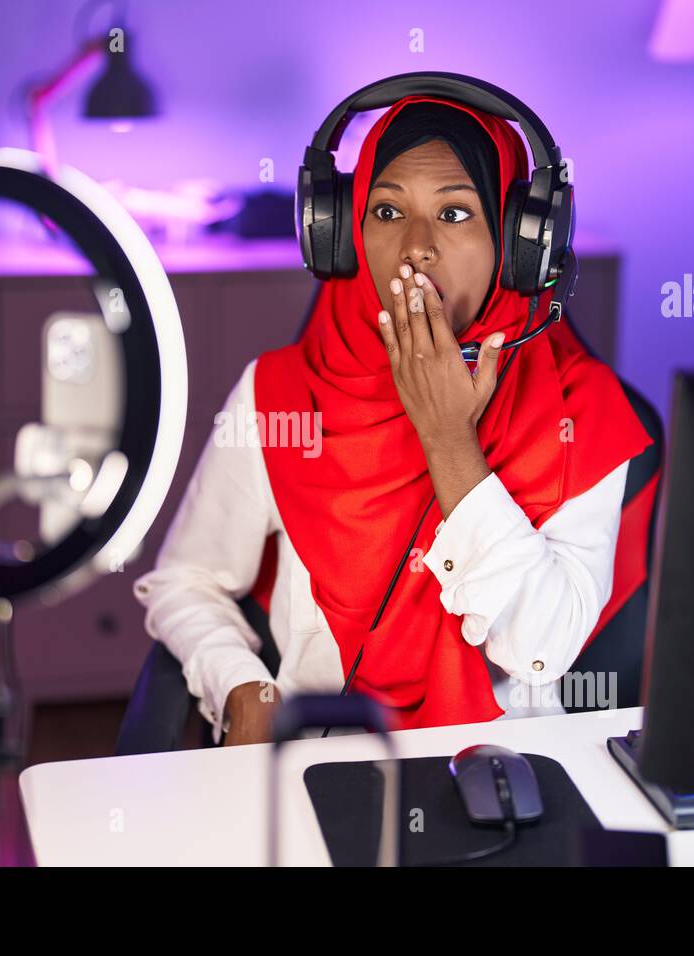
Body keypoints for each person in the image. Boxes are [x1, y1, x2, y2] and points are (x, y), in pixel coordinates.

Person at [133, 94, 653, 746]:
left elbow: (540, 648)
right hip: (316, 758)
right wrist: (241, 686)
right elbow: (187, 579)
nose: (416, 248)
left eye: (455, 213)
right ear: (344, 234)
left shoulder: (584, 410)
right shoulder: (280, 394)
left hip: (506, 774)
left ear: (518, 245)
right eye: (387, 211)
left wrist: (448, 441)